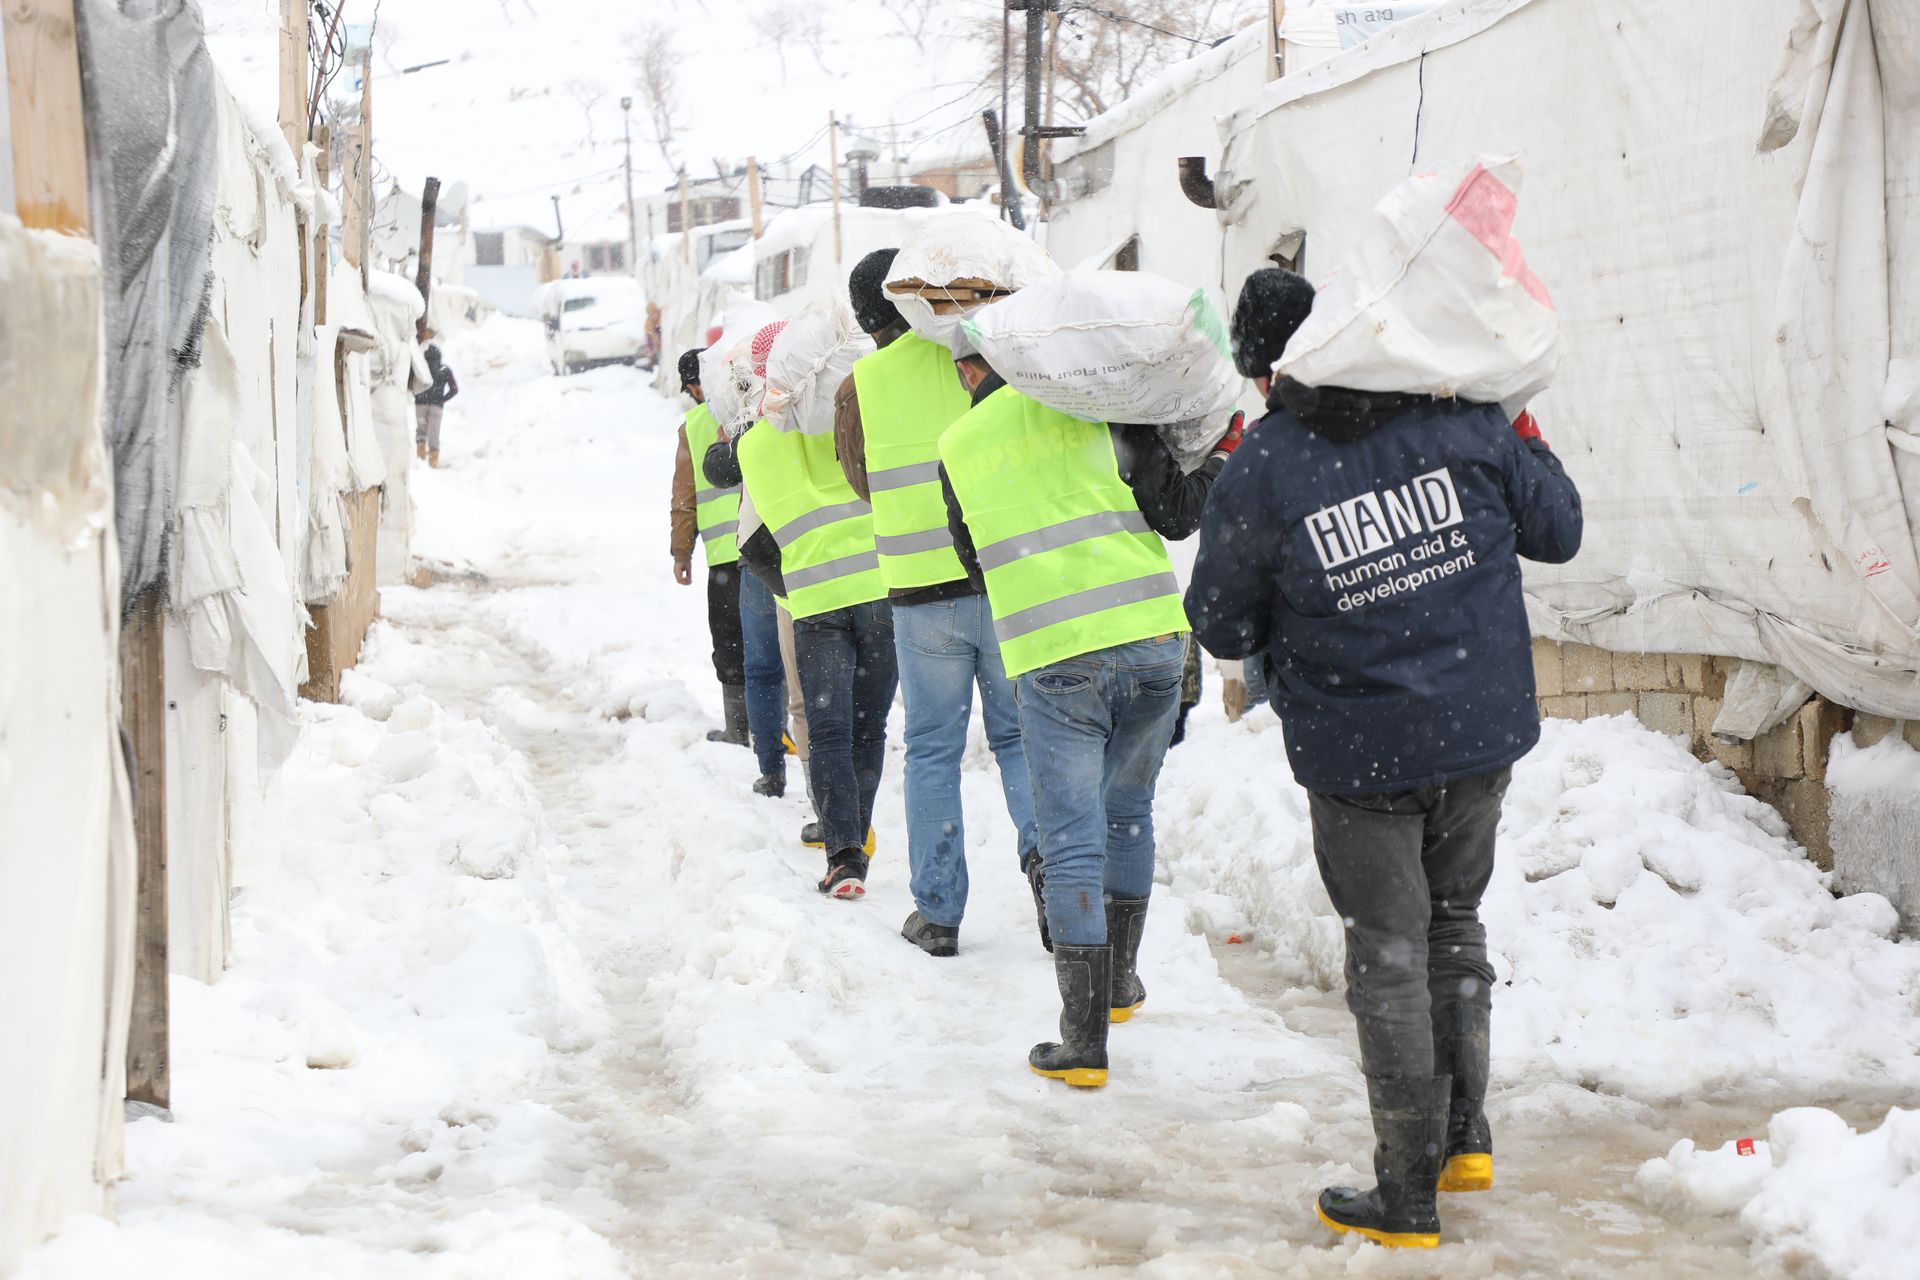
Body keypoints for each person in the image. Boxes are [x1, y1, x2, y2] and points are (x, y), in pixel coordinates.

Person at [1185, 267, 1584, 1249]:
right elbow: (1561, 529)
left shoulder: (1267, 466)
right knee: (1454, 921)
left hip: (1359, 752)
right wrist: (1513, 419)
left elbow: (1219, 620)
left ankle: (1406, 1195)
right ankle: (1463, 1138)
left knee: (1393, 955)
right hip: (1477, 733)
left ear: (1262, 363)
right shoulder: (1463, 419)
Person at [938, 335, 1243, 1087]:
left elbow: (970, 558)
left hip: (1055, 657)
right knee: (1129, 813)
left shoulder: (958, 444)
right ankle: (1119, 986)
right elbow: (1177, 517)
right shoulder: (1105, 409)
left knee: (1071, 839)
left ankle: (1082, 1045)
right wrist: (1212, 458)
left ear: (971, 369)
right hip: (1150, 646)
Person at [836, 249, 1040, 959]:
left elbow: (858, 478)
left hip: (919, 592)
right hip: (996, 574)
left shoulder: (859, 383)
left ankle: (939, 913)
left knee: (930, 750)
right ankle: (1048, 864)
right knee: (1018, 737)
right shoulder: (978, 350)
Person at [715, 324, 899, 900]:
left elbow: (753, 545)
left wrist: (795, 586)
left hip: (817, 608)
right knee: (870, 729)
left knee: (828, 729)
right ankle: (855, 831)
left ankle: (843, 853)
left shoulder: (755, 446)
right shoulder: (861, 419)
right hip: (880, 596)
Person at [671, 349, 771, 763]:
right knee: (767, 644)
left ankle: (738, 726)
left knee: (730, 643)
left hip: (724, 560)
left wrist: (681, 551)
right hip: (764, 548)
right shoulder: (754, 410)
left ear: (695, 386)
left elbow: (684, 497)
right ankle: (775, 724)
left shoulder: (692, 427)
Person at [414, 333, 458, 468]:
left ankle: (420, 460)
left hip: (420, 403)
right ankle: (432, 464)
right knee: (434, 434)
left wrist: (417, 396)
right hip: (436, 407)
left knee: (421, 431)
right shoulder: (444, 370)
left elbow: (412, 383)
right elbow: (454, 389)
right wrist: (442, 399)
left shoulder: (422, 368)